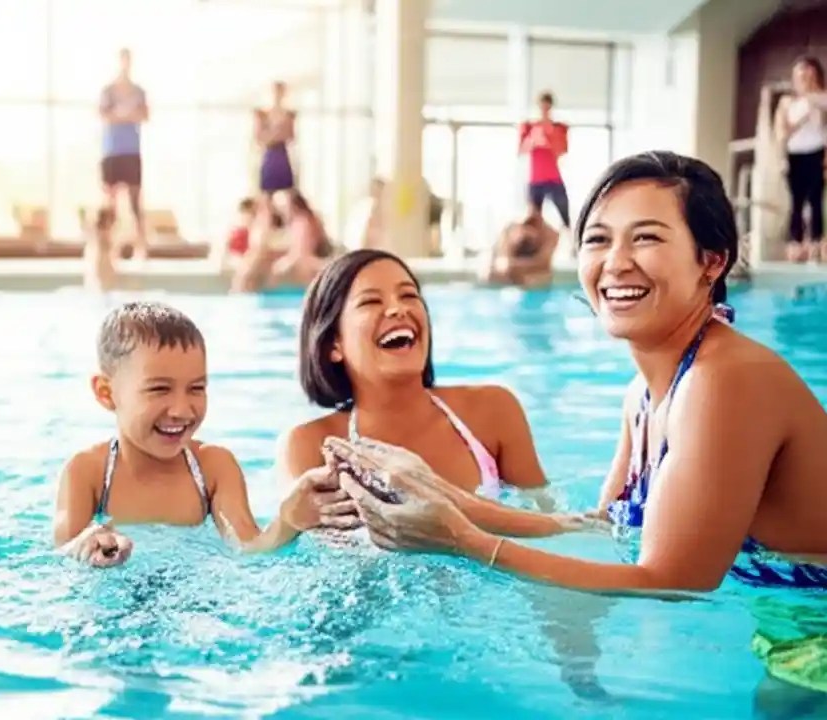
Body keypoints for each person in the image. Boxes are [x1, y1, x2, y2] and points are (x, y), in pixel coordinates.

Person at [338, 151, 827, 595]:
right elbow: (602, 528)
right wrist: (437, 495)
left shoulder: (725, 380)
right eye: (597, 240)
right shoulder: (645, 393)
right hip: (785, 611)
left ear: (712, 261)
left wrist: (461, 541)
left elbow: (675, 581)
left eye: (646, 238)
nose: (615, 263)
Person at [279, 248, 594, 539]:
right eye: (371, 301)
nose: (398, 309)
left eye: (409, 295)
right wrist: (288, 524)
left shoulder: (492, 411)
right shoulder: (311, 445)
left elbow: (553, 524)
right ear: (334, 344)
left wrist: (438, 498)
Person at [53, 301, 355, 567]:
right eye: (159, 389)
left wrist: (290, 519)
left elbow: (248, 549)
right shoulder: (87, 472)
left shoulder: (213, 468)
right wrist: (85, 549)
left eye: (197, 388)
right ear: (106, 393)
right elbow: (61, 558)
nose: (182, 410)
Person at [773, 55, 827, 263]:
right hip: (795, 154)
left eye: (808, 74)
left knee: (815, 200)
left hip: (816, 152)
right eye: (800, 75)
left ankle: (815, 243)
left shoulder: (822, 98)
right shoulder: (788, 102)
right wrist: (803, 117)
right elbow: (782, 131)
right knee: (796, 201)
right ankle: (795, 244)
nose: (804, 78)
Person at [99, 48, 150, 261]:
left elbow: (145, 115)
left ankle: (141, 248)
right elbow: (103, 115)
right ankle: (108, 248)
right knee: (110, 203)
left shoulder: (138, 91)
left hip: (132, 150)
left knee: (135, 202)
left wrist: (122, 115)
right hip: (112, 151)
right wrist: (126, 115)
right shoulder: (108, 90)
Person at [518, 91, 571, 230]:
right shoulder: (529, 127)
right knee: (533, 221)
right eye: (542, 107)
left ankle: (572, 242)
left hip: (554, 178)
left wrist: (548, 140)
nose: (544, 110)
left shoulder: (559, 128)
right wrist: (533, 140)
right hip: (535, 180)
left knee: (565, 216)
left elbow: (563, 151)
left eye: (547, 107)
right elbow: (521, 150)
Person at [484, 205, 561, 287]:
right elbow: (501, 266)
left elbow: (543, 265)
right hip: (515, 271)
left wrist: (514, 268)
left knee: (538, 279)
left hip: (535, 276)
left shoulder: (550, 235)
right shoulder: (509, 231)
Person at [255, 81, 297, 196]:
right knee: (267, 190)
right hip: (269, 153)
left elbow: (290, 136)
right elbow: (259, 137)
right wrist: (275, 134)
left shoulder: (289, 115)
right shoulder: (262, 114)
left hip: (282, 153)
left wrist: (274, 134)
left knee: (287, 189)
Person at [82, 207, 118, 293]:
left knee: (105, 286)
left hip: (103, 261)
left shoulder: (100, 232)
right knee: (105, 285)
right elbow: (108, 247)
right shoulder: (103, 233)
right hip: (103, 261)